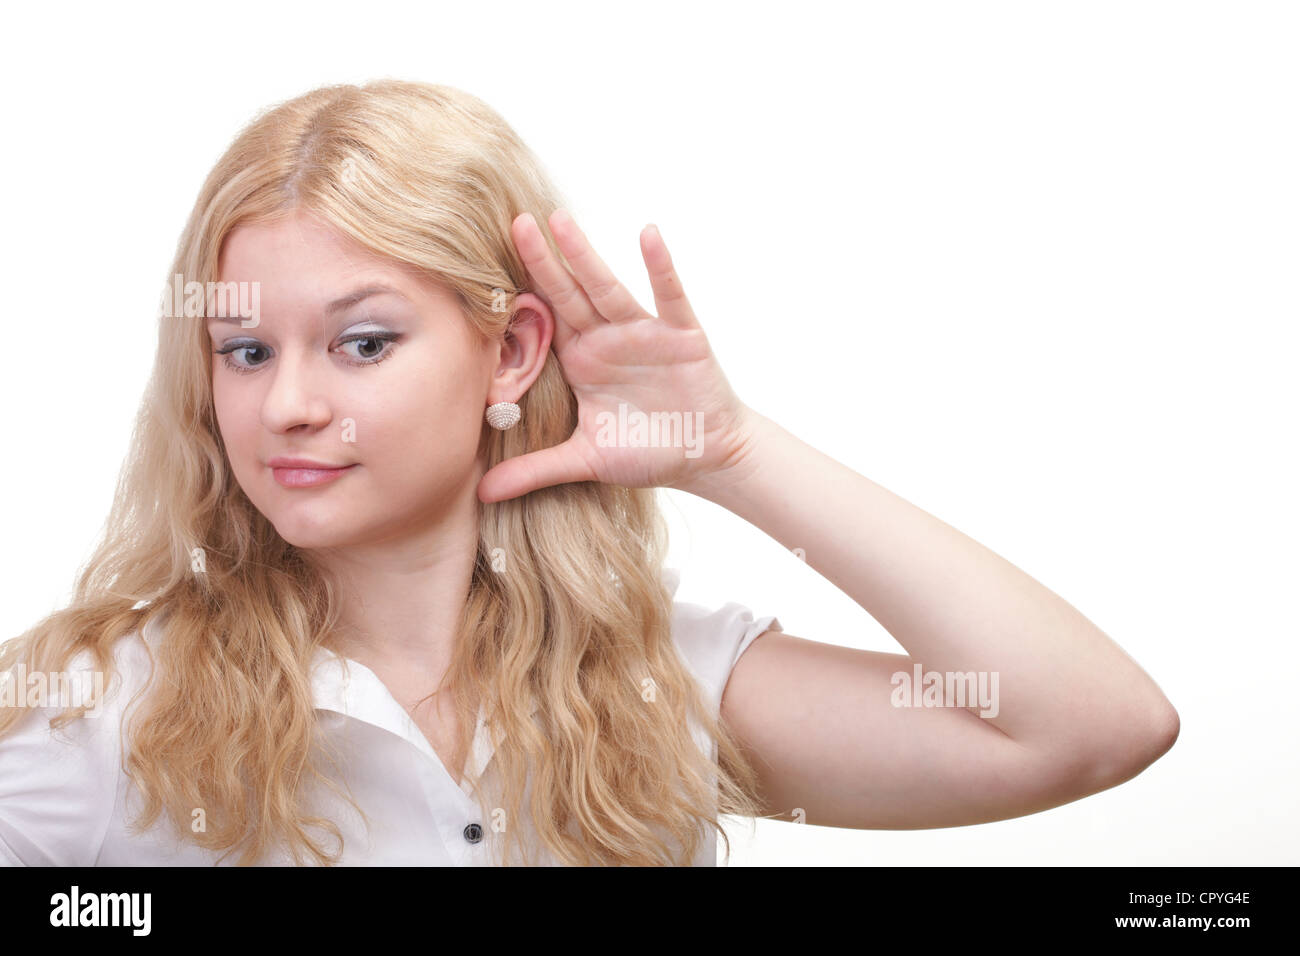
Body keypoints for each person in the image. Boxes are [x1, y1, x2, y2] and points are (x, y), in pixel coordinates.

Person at [0, 79, 1178, 867]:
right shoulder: (104, 709)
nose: (289, 403)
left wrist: (732, 452)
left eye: (363, 342)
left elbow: (1091, 726)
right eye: (245, 349)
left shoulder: (658, 679)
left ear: (509, 350)